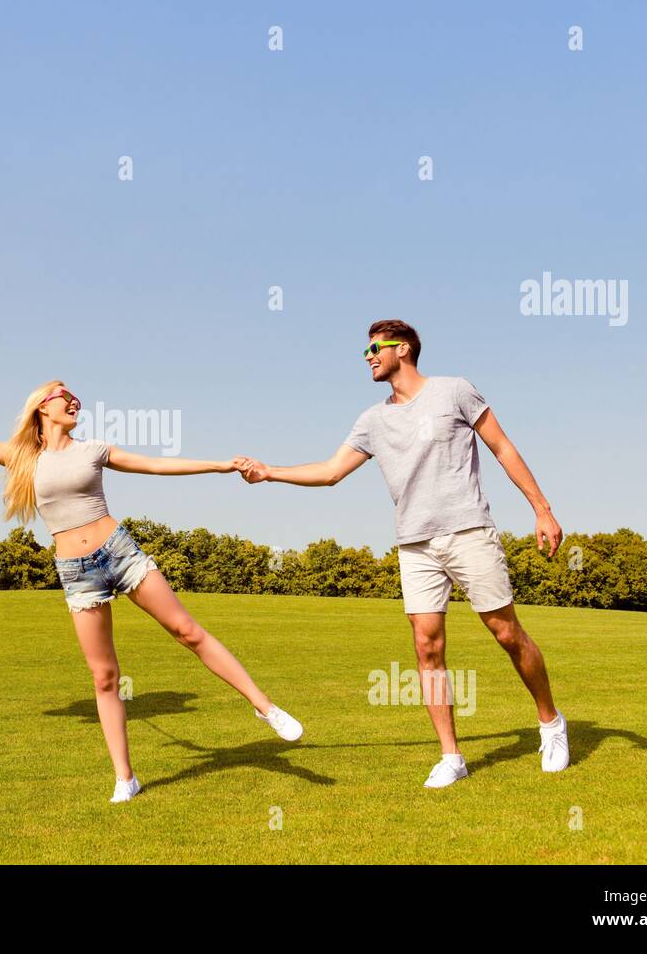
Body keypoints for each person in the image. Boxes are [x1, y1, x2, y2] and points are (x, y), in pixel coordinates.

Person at [0, 370, 303, 803]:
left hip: (119, 552)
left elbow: (155, 465)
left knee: (187, 632)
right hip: (76, 572)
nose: (75, 401)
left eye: (77, 396)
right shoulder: (23, 460)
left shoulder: (93, 450)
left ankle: (264, 706)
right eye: (66, 396)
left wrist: (220, 464)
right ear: (43, 406)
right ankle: (125, 778)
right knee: (104, 677)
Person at [235, 320, 568, 788]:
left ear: (404, 348)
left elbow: (503, 448)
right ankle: (452, 756)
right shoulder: (373, 420)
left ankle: (551, 724)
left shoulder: (455, 391)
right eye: (365, 350)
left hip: (468, 530)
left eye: (375, 347)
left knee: (506, 633)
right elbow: (331, 472)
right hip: (415, 544)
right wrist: (270, 472)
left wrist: (543, 509)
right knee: (427, 648)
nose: (368, 356)